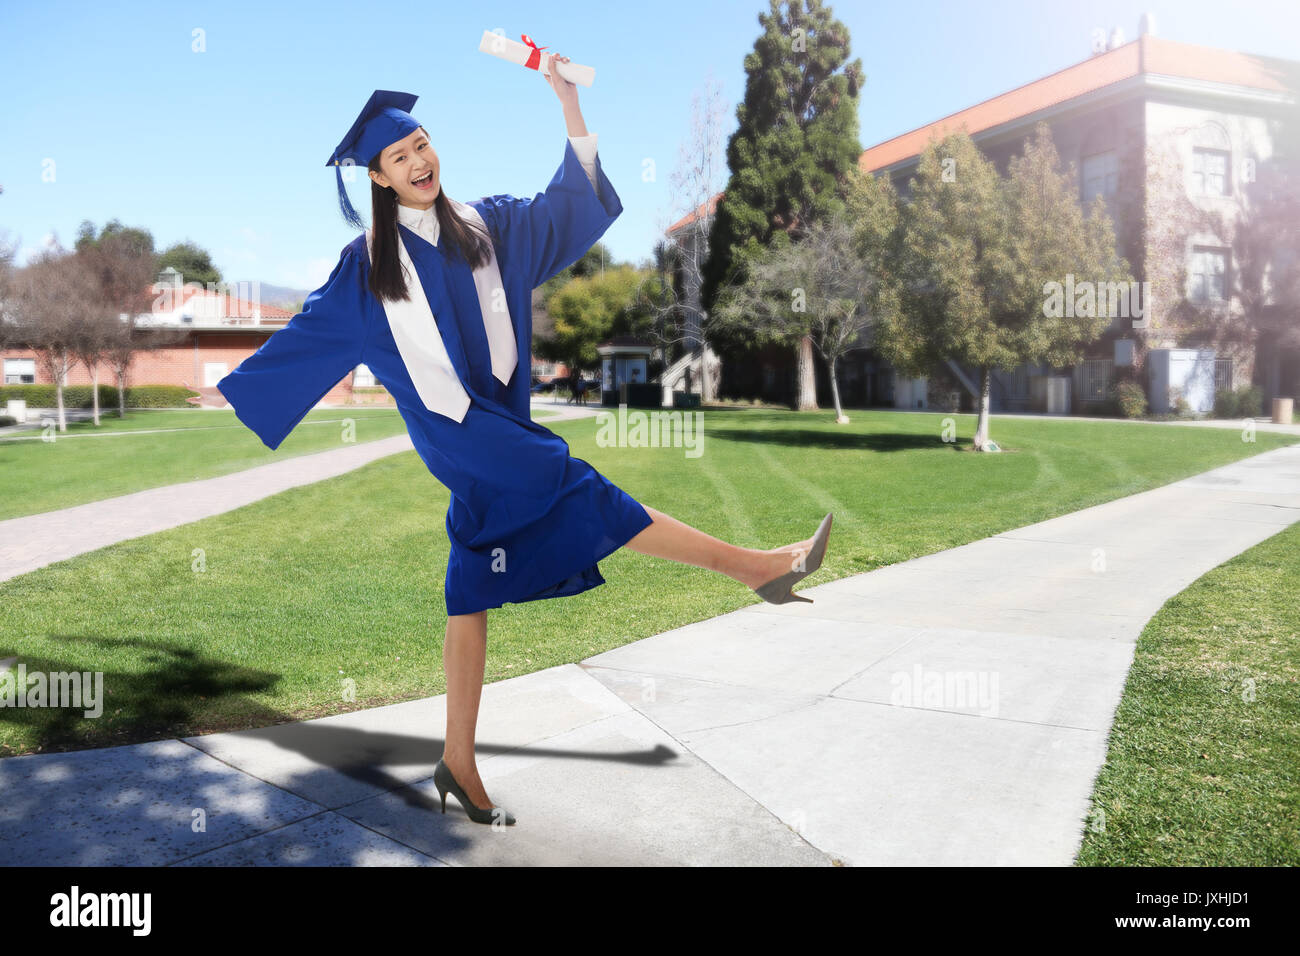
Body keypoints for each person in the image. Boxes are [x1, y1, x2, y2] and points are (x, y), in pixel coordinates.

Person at [204, 66, 833, 827]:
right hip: (458, 434)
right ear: (377, 177)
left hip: (501, 414)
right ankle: (755, 568)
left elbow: (566, 207)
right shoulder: (364, 271)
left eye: (422, 144)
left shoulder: (488, 227)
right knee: (579, 486)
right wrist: (236, 389)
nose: (418, 160)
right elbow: (306, 337)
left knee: (470, 583)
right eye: (399, 157)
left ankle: (457, 760)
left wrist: (569, 105)